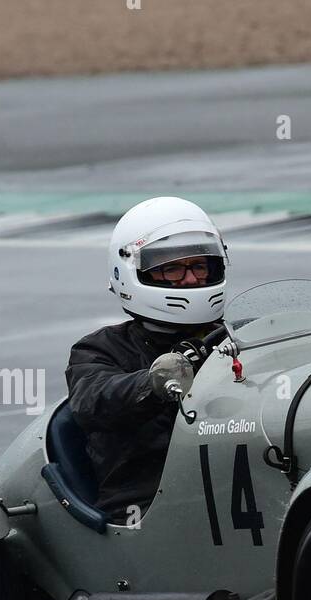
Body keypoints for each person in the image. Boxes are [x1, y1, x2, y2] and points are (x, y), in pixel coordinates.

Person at [65, 197, 229, 521]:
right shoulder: (99, 349)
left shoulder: (235, 337)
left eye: (198, 266)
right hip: (146, 503)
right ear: (132, 271)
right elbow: (92, 401)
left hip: (230, 478)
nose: (191, 280)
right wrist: (157, 379)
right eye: (173, 269)